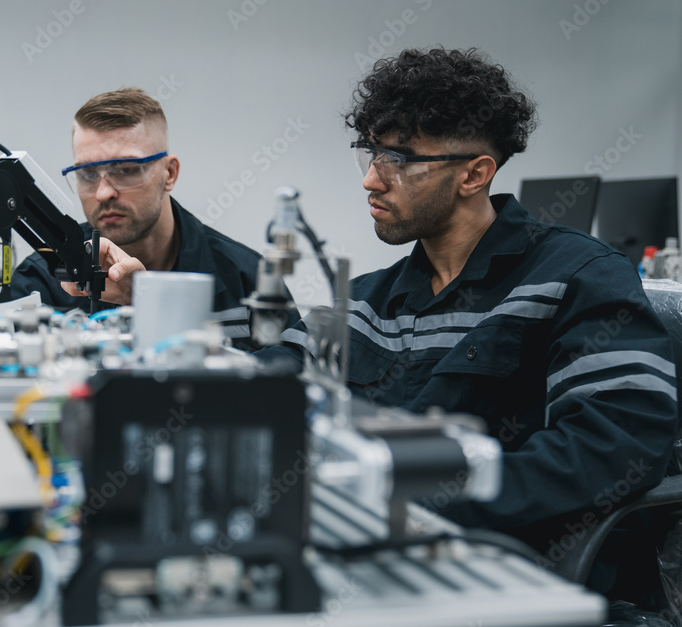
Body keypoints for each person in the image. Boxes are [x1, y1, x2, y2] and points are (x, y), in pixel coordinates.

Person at [267, 47, 678, 566]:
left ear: (474, 174)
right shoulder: (370, 300)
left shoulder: (575, 276)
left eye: (399, 159)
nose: (371, 179)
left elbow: (615, 447)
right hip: (367, 549)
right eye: (371, 154)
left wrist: (421, 503)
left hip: (494, 569)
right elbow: (272, 381)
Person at [10, 88, 297, 350]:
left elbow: (294, 381)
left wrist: (150, 304)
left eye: (126, 170)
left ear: (169, 174)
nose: (104, 192)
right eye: (87, 175)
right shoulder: (42, 281)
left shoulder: (247, 279)